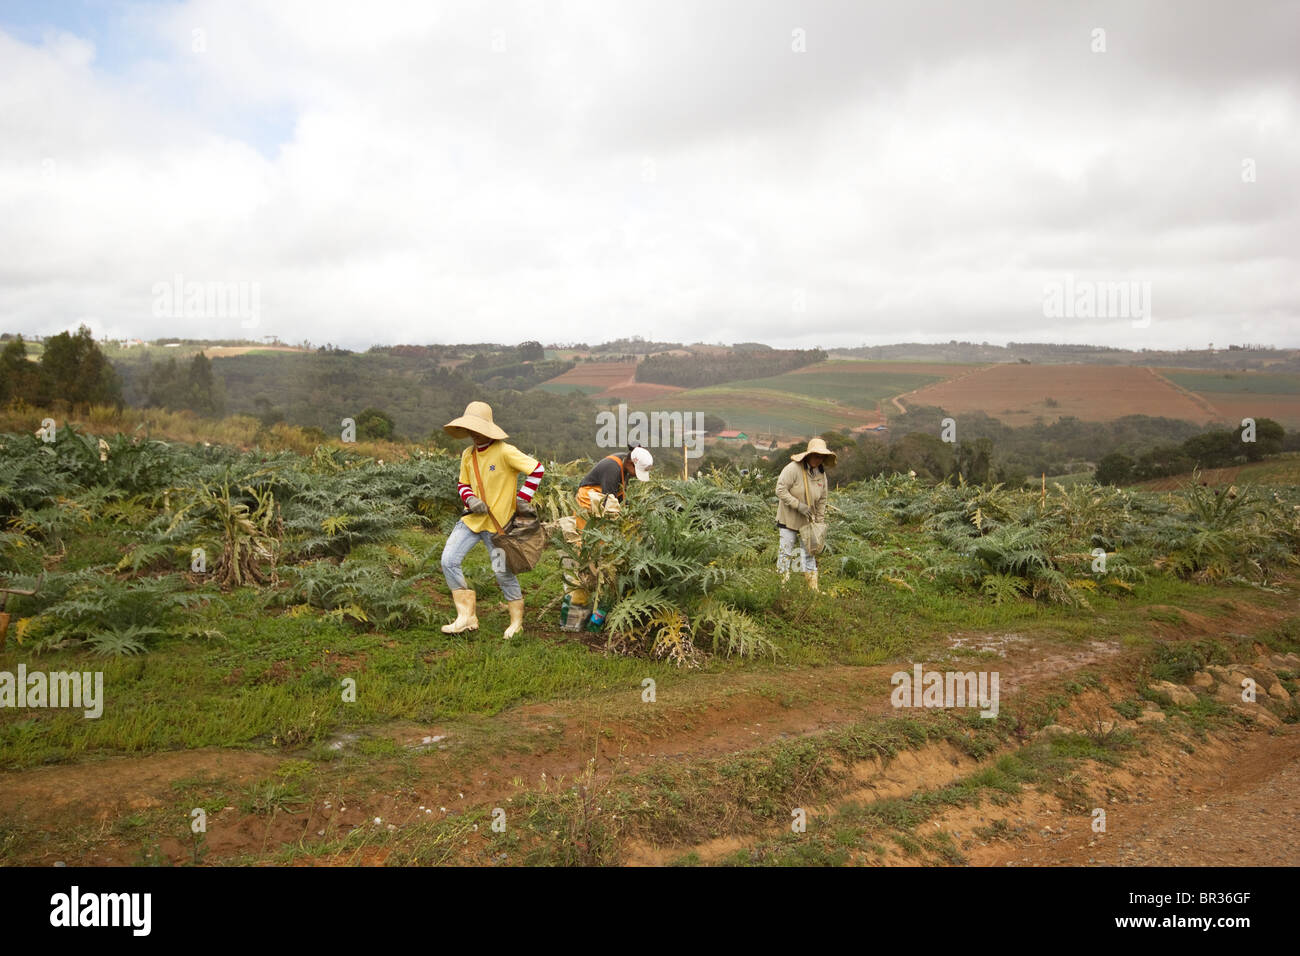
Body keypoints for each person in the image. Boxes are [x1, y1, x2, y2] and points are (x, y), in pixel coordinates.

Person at [439, 401, 545, 639]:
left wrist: (521, 499)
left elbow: (537, 470)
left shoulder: (505, 451)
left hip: (497, 527)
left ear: (487, 428)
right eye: (471, 430)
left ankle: (516, 622)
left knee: (502, 573)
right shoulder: (468, 454)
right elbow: (463, 484)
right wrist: (470, 499)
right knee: (448, 560)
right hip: (471, 521)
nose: (474, 435)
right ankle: (466, 617)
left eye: (478, 429)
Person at [775, 437, 836, 591]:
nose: (818, 459)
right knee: (786, 554)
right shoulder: (792, 468)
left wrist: (820, 523)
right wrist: (798, 505)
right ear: (808, 455)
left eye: (821, 456)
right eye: (816, 455)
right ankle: (782, 588)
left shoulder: (821, 474)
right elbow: (780, 490)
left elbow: (822, 499)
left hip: (808, 522)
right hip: (788, 519)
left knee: (809, 555)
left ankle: (812, 591)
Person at [573, 443, 654, 530]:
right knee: (587, 535)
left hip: (601, 497)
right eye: (637, 472)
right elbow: (609, 503)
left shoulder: (625, 460)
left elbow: (620, 494)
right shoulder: (612, 469)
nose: (636, 476)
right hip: (589, 498)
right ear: (630, 464)